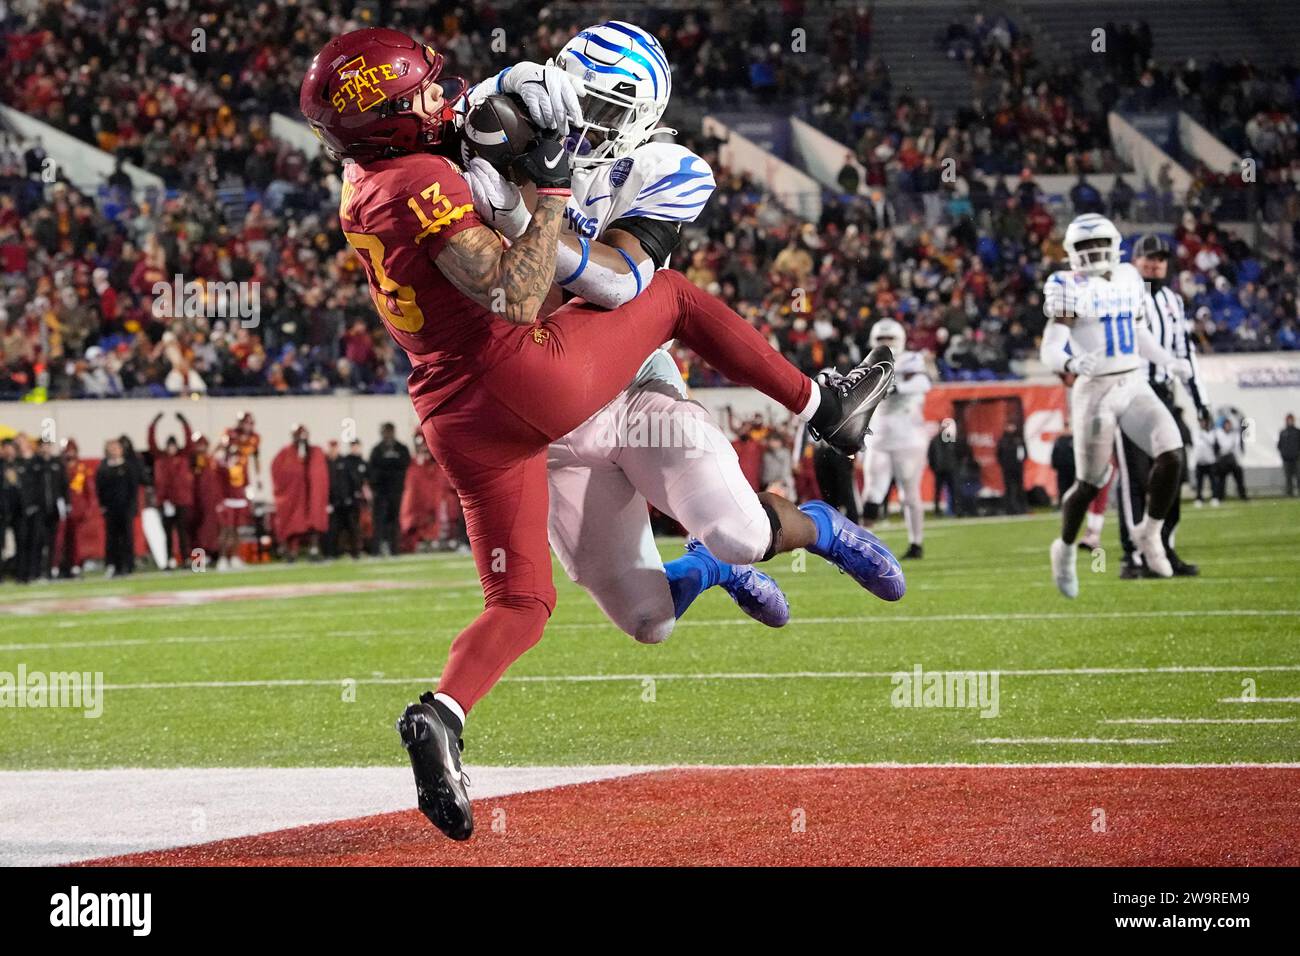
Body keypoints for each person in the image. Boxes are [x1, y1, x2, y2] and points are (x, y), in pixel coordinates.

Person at [300, 25, 899, 841]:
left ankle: (443, 711)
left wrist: (502, 170)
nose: (444, 100)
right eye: (422, 96)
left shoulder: (396, 161)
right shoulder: (436, 162)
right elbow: (520, 292)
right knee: (675, 310)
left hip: (488, 405)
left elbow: (613, 277)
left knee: (538, 597)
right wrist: (537, 197)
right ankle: (818, 412)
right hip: (536, 377)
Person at [1039, 213, 1194, 598]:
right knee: (1090, 483)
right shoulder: (1066, 285)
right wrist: (1073, 364)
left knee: (1172, 453)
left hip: (1133, 380)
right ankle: (1065, 547)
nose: (1092, 253)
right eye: (1085, 247)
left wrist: (1167, 360)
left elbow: (1137, 331)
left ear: (1113, 246)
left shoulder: (1128, 277)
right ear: (1072, 252)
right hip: (1094, 389)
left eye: (1098, 245)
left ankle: (1150, 533)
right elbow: (1050, 347)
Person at [1114, 234, 1206, 578]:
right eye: (1147, 258)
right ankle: (1133, 556)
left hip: (1164, 393)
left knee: (1173, 469)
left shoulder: (1172, 300)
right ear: (1134, 260)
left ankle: (1163, 546)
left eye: (1160, 259)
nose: (1154, 264)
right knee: (1136, 477)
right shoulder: (1122, 293)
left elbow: (1184, 352)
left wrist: (1199, 399)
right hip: (1131, 392)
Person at [859, 318, 932, 558]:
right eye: (882, 339)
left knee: (909, 494)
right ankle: (860, 547)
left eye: (890, 338)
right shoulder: (868, 364)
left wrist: (894, 387)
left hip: (908, 436)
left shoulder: (911, 359)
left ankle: (916, 543)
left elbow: (923, 382)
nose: (887, 343)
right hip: (878, 437)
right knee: (872, 494)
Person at [271, 426, 330, 560]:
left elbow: (320, 474)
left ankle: (314, 549)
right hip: (294, 497)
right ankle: (292, 551)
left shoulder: (315, 452)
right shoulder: (285, 454)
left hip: (311, 496)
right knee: (294, 524)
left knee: (313, 523)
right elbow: (279, 474)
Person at [148, 412, 195, 569]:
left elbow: (189, 442)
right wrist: (154, 424)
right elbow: (151, 442)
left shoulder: (183, 457)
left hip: (181, 500)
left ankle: (187, 559)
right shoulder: (160, 459)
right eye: (169, 446)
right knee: (167, 534)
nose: (171, 449)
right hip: (165, 501)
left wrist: (185, 423)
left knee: (183, 532)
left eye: (173, 446)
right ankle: (169, 560)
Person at [95, 438, 138, 577]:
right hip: (110, 508)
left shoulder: (128, 466)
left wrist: (132, 506)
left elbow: (133, 488)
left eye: (116, 448)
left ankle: (128, 565)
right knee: (112, 538)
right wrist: (103, 505)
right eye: (111, 448)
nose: (113, 451)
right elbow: (99, 489)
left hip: (125, 508)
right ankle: (113, 565)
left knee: (127, 537)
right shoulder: (103, 468)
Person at [367, 422, 410, 557]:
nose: (387, 434)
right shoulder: (377, 449)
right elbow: (373, 470)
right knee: (379, 522)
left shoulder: (401, 448)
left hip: (396, 491)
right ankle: (377, 550)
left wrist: (386, 468)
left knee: (394, 521)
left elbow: (404, 464)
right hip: (381, 491)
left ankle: (394, 549)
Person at [326, 440, 365, 559]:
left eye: (335, 447)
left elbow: (352, 480)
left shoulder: (345, 462)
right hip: (333, 502)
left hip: (347, 502)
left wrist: (352, 496)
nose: (333, 450)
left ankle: (355, 552)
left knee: (352, 528)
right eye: (331, 447)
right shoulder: (325, 463)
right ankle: (332, 553)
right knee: (333, 529)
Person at [927, 419, 961, 517]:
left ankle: (956, 510)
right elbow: (930, 456)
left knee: (954, 491)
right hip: (939, 470)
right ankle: (937, 511)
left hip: (951, 469)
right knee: (938, 491)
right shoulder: (935, 440)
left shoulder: (952, 439)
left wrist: (955, 466)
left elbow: (958, 453)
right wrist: (934, 468)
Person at [996, 420, 1027, 515]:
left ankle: (1022, 508)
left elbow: (1025, 454)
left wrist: (1020, 463)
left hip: (1018, 468)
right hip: (1007, 469)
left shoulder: (1019, 439)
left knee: (1020, 488)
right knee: (1008, 489)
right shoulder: (1002, 440)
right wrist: (1004, 464)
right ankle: (1009, 509)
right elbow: (998, 455)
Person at [1192, 413, 1222, 505]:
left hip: (1210, 461)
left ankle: (1215, 497)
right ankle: (1199, 499)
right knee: (1199, 482)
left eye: (1204, 421)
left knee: (1213, 481)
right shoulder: (1195, 432)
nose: (1202, 423)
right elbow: (1195, 444)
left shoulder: (1213, 432)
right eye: (1200, 422)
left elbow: (1214, 444)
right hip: (1199, 462)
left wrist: (1205, 434)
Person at [1217, 418, 1247, 500]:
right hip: (1223, 460)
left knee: (1239, 479)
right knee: (1221, 480)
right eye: (1226, 425)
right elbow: (1224, 447)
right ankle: (1220, 497)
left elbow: (1236, 447)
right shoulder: (1219, 434)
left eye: (1229, 425)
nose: (1228, 426)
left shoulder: (1234, 434)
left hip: (1232, 459)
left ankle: (1243, 496)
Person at [1050, 421, 1075, 506]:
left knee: (1073, 487)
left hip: (1072, 468)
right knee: (1062, 487)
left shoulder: (1073, 439)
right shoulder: (1058, 441)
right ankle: (1063, 504)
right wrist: (1055, 465)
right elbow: (1054, 454)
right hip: (1062, 469)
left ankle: (1073, 504)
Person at [1279, 413, 1300, 496]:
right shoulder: (1283, 432)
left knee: (1298, 476)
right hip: (1286, 459)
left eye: (1291, 419)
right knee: (1288, 477)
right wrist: (1283, 454)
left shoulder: (1297, 432)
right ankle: (1289, 493)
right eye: (1288, 420)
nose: (1290, 421)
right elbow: (1279, 445)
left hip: (1296, 458)